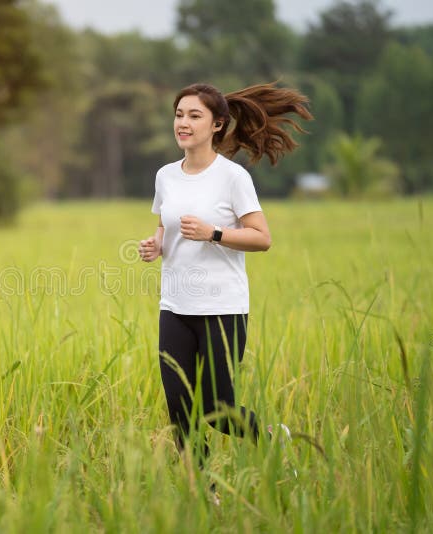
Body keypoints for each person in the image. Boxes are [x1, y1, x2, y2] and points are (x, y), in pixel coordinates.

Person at [138, 82, 312, 470]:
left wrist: (214, 233)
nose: (183, 123)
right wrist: (156, 245)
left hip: (222, 308)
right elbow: (166, 227)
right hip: (175, 306)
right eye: (179, 114)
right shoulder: (166, 176)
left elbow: (262, 238)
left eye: (194, 116)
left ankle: (271, 440)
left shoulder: (232, 178)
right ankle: (204, 492)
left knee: (218, 409)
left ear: (217, 125)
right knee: (180, 410)